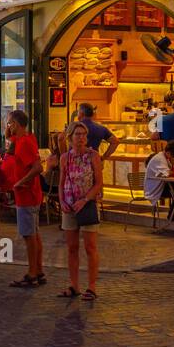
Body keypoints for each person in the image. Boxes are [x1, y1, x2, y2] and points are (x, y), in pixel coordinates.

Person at [57, 121, 104, 301]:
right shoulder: (65, 158)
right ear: (70, 137)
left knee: (90, 247)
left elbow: (98, 182)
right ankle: (74, 285)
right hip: (69, 206)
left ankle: (91, 286)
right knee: (72, 248)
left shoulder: (93, 156)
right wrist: (61, 199)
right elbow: (61, 182)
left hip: (87, 205)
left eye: (84, 135)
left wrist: (85, 199)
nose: (81, 138)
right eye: (77, 134)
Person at [8, 110, 46, 288]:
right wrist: (10, 135)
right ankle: (38, 270)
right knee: (35, 233)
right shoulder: (28, 139)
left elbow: (37, 168)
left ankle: (32, 272)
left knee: (29, 235)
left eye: (10, 123)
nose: (9, 126)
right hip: (33, 194)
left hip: (26, 195)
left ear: (16, 123)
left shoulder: (24, 144)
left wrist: (20, 182)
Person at [145, 140, 174, 209]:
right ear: (168, 153)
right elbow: (166, 174)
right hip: (155, 189)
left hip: (161, 186)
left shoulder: (165, 158)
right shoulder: (160, 159)